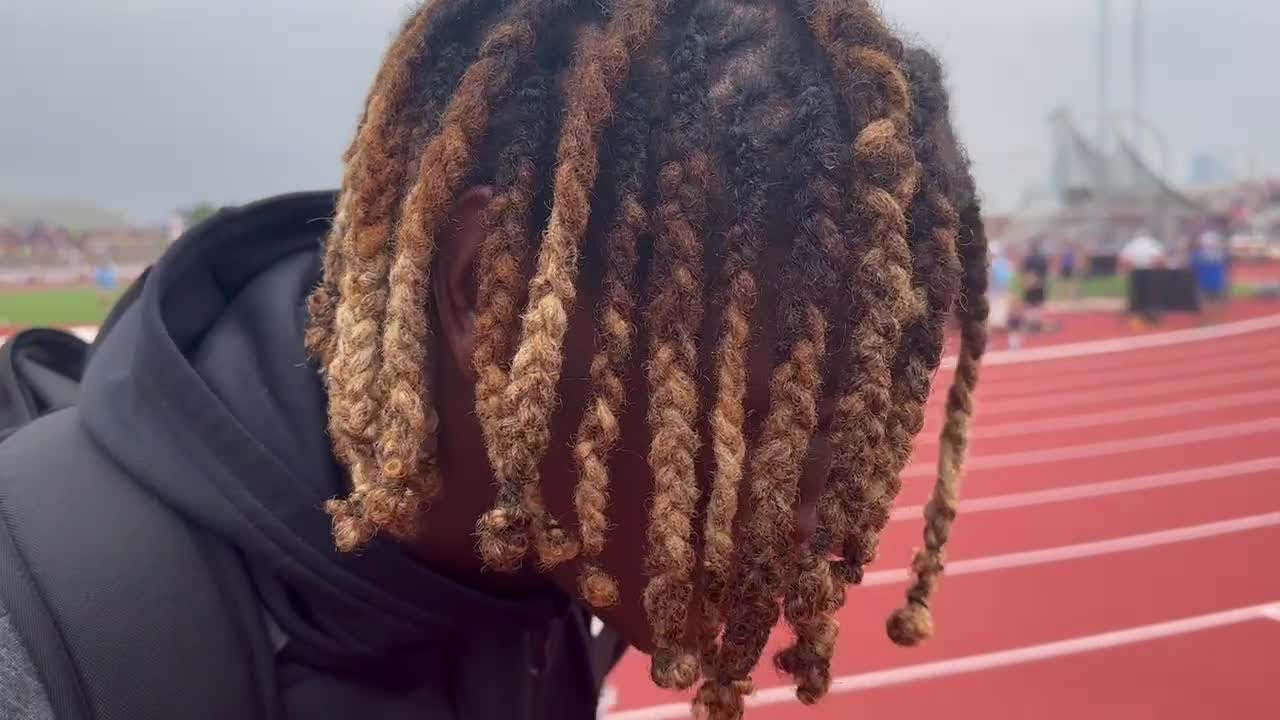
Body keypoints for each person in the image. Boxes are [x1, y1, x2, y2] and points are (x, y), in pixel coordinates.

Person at [0, 3, 989, 719]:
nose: (822, 528)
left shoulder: (539, 562)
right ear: (490, 283)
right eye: (758, 423)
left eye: (855, 433)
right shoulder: (50, 646)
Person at [1020, 238, 1050, 332]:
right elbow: (1045, 272)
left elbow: (1024, 271)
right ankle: (1037, 324)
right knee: (1037, 304)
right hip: (1039, 284)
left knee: (1029, 304)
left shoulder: (1028, 258)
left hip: (1030, 283)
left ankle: (1031, 325)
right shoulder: (1043, 258)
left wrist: (1027, 282)